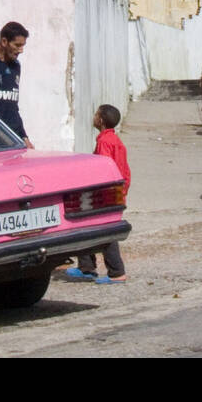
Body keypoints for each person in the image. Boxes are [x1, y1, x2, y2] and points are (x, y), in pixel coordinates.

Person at [65, 103, 130, 283]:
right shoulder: (116, 141)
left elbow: (103, 169)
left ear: (100, 120)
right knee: (88, 227)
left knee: (104, 232)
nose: (93, 117)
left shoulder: (104, 142)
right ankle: (86, 267)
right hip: (116, 191)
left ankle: (116, 272)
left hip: (104, 193)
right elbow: (125, 170)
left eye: (95, 114)